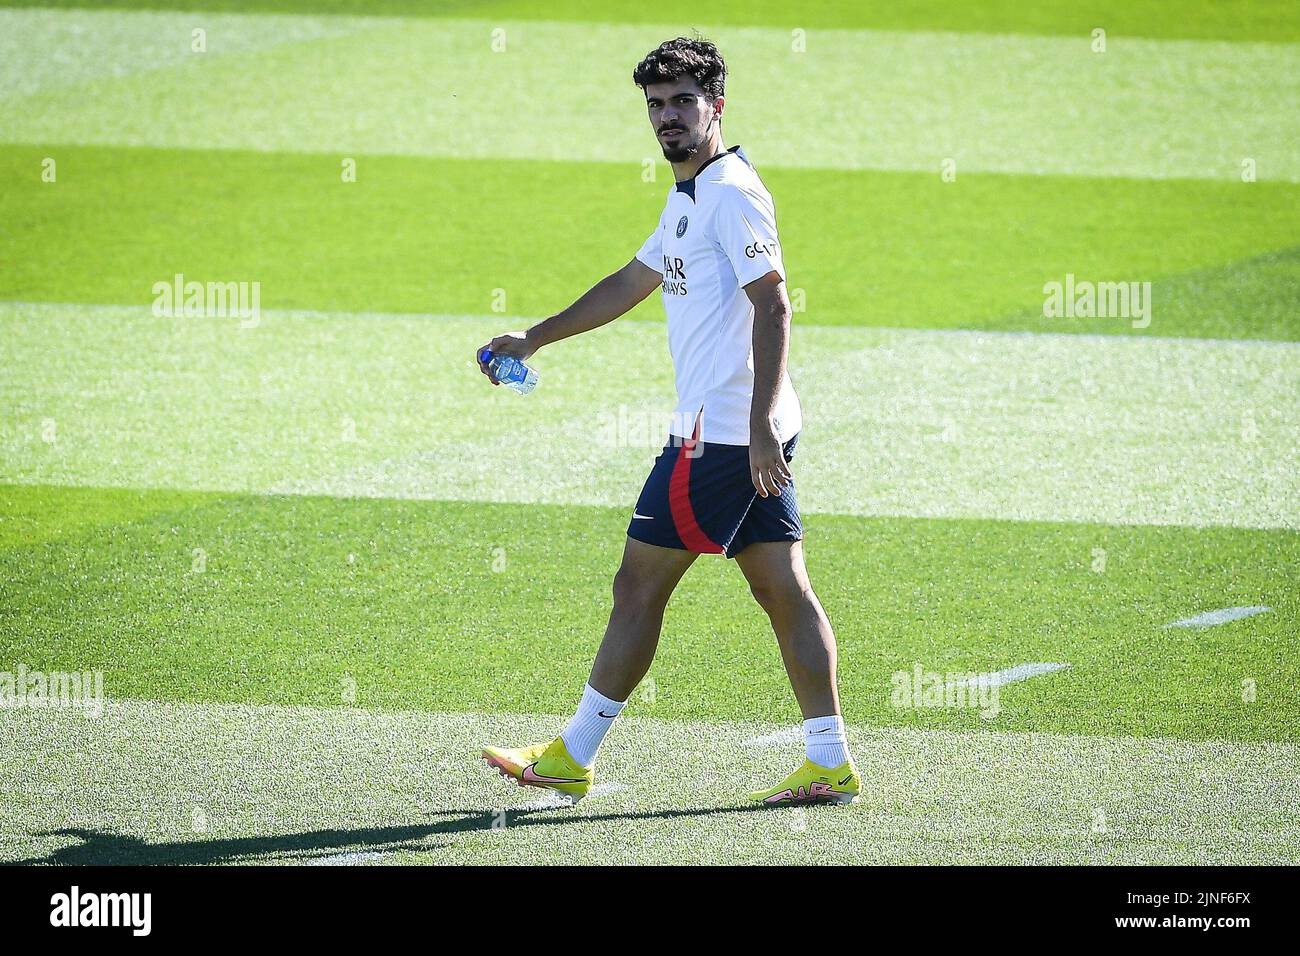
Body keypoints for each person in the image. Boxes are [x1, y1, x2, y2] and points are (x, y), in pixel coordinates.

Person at [477, 37, 858, 806]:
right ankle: (829, 760)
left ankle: (572, 754)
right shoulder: (690, 195)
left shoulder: (731, 191)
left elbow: (774, 304)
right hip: (741, 429)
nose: (667, 117)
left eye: (684, 101)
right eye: (656, 104)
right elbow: (631, 280)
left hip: (721, 434)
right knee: (783, 587)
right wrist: (536, 336)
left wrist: (755, 430)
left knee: (637, 584)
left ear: (717, 105)